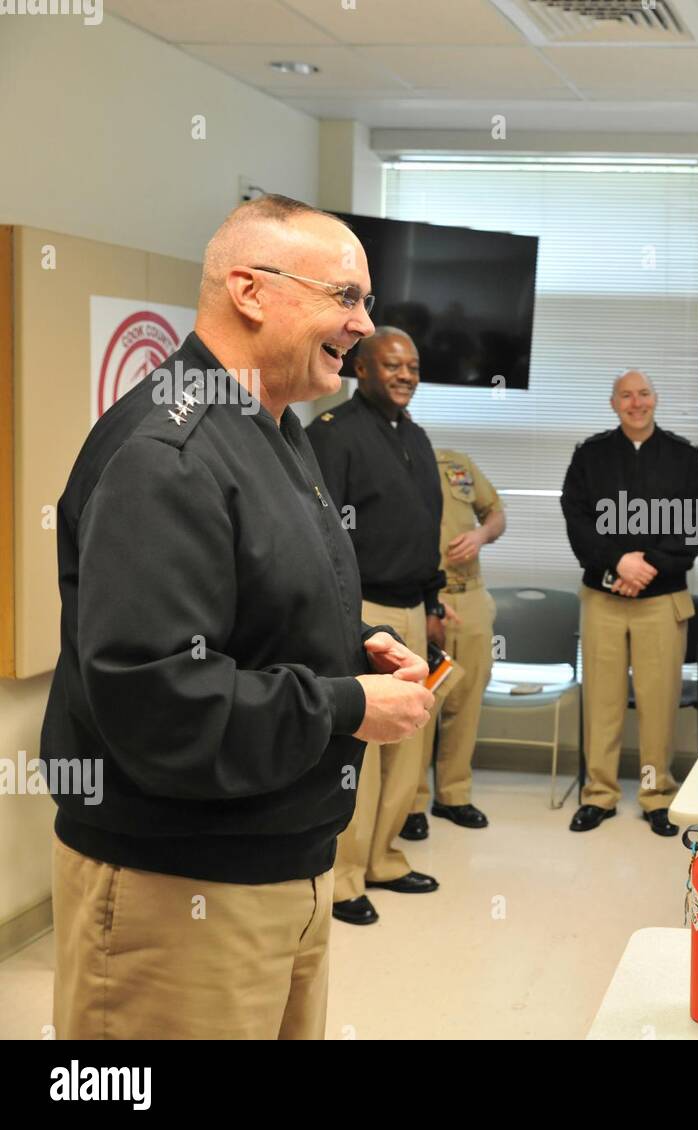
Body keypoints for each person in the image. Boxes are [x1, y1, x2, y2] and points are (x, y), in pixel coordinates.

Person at [41, 195, 434, 1038]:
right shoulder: (168, 453)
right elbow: (160, 696)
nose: (364, 325)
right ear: (252, 291)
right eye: (345, 297)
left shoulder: (272, 427)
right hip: (181, 891)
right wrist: (349, 705)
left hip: (281, 866)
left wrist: (362, 649)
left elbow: (265, 603)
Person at [308, 328, 447, 926]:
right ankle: (343, 877)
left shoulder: (413, 434)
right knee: (363, 749)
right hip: (364, 612)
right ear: (360, 369)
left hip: (414, 607)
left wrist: (434, 602)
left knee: (409, 743)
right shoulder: (331, 435)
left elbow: (423, 528)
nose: (405, 374)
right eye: (392, 365)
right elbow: (318, 536)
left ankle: (385, 857)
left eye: (413, 365)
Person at [560, 370, 698, 836]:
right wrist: (616, 565)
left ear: (656, 399)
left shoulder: (684, 457)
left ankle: (656, 795)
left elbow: (696, 523)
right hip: (603, 598)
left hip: (661, 599)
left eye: (644, 393)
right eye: (626, 395)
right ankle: (599, 795)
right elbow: (577, 517)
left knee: (658, 701)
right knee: (602, 700)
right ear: (613, 404)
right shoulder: (590, 454)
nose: (636, 402)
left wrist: (646, 567)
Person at [406, 446, 506, 834]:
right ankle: (411, 802)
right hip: (425, 598)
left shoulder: (456, 462)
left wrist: (481, 536)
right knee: (422, 701)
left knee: (467, 699)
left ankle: (454, 796)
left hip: (473, 594)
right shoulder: (390, 466)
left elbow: (497, 515)